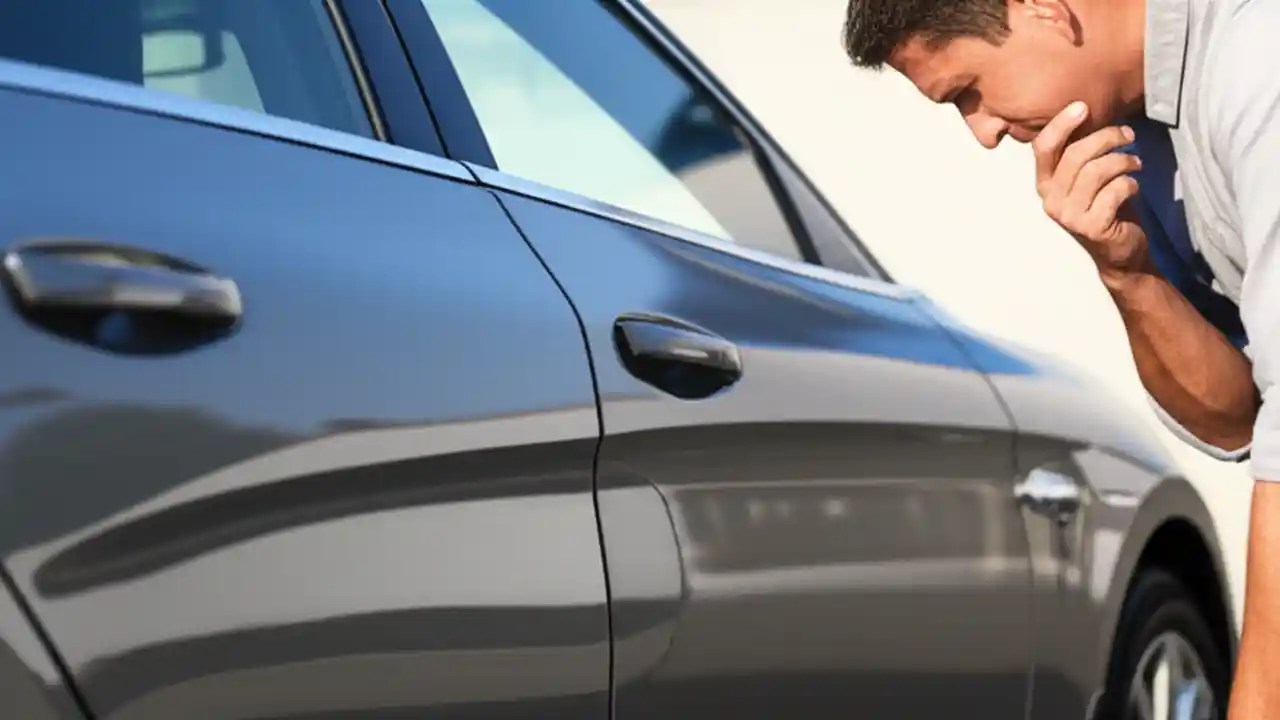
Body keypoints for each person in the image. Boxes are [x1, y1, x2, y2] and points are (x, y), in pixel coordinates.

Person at [840, 0, 1279, 716]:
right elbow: (1237, 422)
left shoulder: (1259, 63)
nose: (982, 132)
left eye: (968, 93)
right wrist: (1129, 276)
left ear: (1043, 8)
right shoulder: (1130, 131)